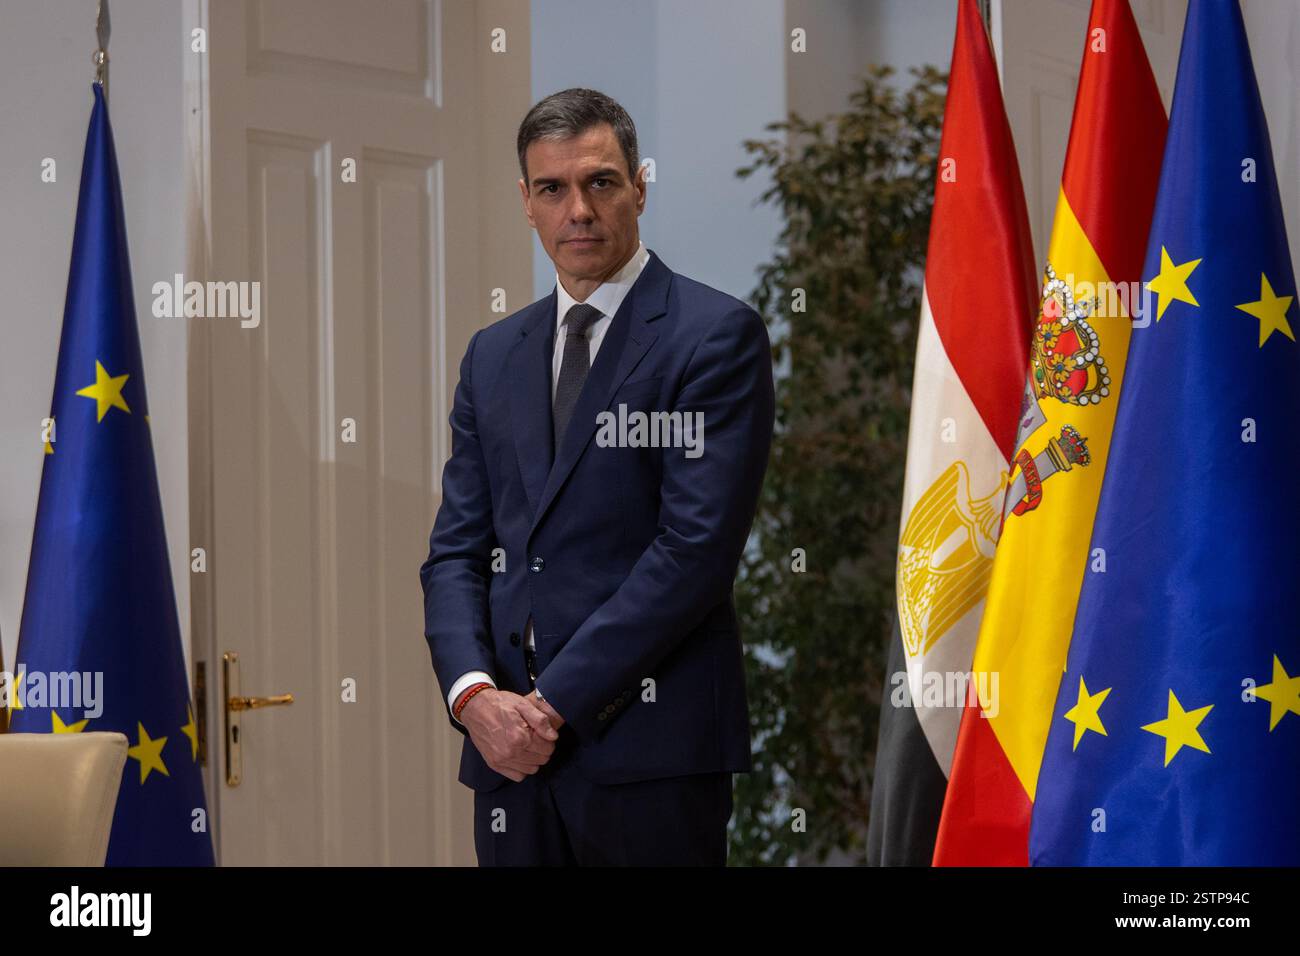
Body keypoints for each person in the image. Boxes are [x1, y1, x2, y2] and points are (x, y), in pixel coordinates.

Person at [419, 87, 775, 865]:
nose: (578, 209)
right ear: (526, 202)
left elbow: (695, 554)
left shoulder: (714, 337)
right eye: (553, 188)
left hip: (650, 755)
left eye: (600, 183)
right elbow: (456, 552)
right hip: (508, 757)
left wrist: (551, 706)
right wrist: (475, 697)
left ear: (638, 187)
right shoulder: (493, 354)